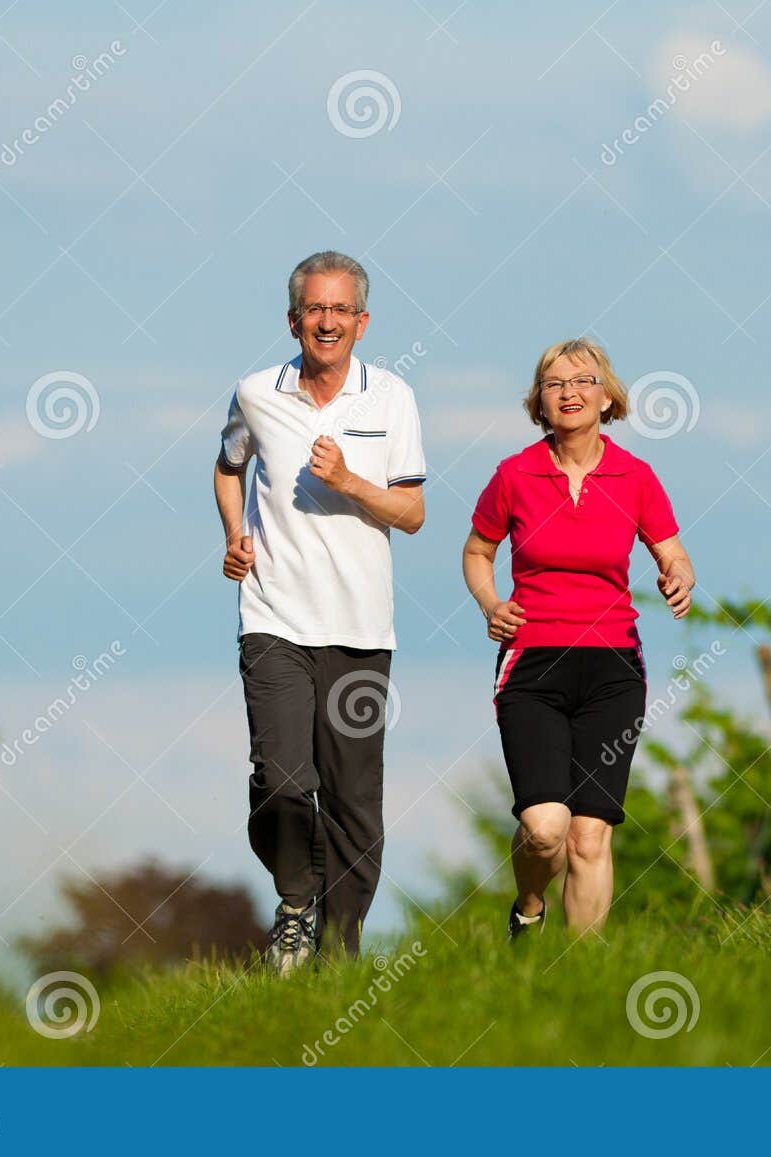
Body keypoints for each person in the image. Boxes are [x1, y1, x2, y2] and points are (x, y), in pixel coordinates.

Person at [215, 250, 427, 974]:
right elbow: (228, 467)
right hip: (272, 616)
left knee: (353, 801)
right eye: (315, 309)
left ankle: (338, 954)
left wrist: (350, 481)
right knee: (279, 779)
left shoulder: (392, 396)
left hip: (361, 628)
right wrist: (234, 535)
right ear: (293, 319)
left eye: (341, 310)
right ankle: (296, 903)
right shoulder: (255, 392)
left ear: (362, 322)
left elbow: (412, 513)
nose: (327, 322)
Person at [462, 337, 694, 939]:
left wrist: (678, 576)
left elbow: (672, 552)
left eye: (583, 381)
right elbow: (478, 551)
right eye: (554, 384)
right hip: (532, 666)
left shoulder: (635, 476)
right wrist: (491, 603)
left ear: (606, 396)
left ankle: (578, 975)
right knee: (546, 829)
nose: (569, 393)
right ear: (539, 401)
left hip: (613, 669)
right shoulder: (514, 475)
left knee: (590, 836)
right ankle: (529, 908)